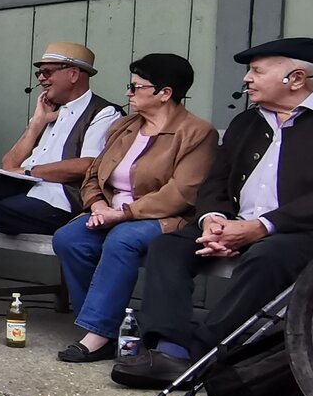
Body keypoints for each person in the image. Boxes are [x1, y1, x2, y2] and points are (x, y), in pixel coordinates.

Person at [113, 37, 313, 389]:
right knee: (167, 247)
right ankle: (165, 348)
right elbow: (215, 182)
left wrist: (262, 226)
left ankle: (196, 357)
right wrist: (213, 219)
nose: (247, 78)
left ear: (295, 78)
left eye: (257, 71)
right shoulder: (247, 123)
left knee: (268, 256)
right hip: (238, 225)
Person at [0, 42, 120, 334]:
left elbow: (90, 165)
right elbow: (8, 164)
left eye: (47, 72)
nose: (41, 79)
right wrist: (36, 124)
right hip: (28, 202)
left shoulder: (104, 113)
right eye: (39, 73)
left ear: (73, 73)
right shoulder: (50, 113)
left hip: (63, 207)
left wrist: (32, 171)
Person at [48, 54, 217, 363]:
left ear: (164, 93)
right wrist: (97, 204)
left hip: (163, 218)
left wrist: (123, 213)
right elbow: (94, 174)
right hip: (110, 212)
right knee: (69, 238)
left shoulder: (196, 133)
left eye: (136, 87)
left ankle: (97, 334)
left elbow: (183, 193)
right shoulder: (125, 127)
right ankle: (109, 327)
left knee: (122, 238)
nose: (128, 93)